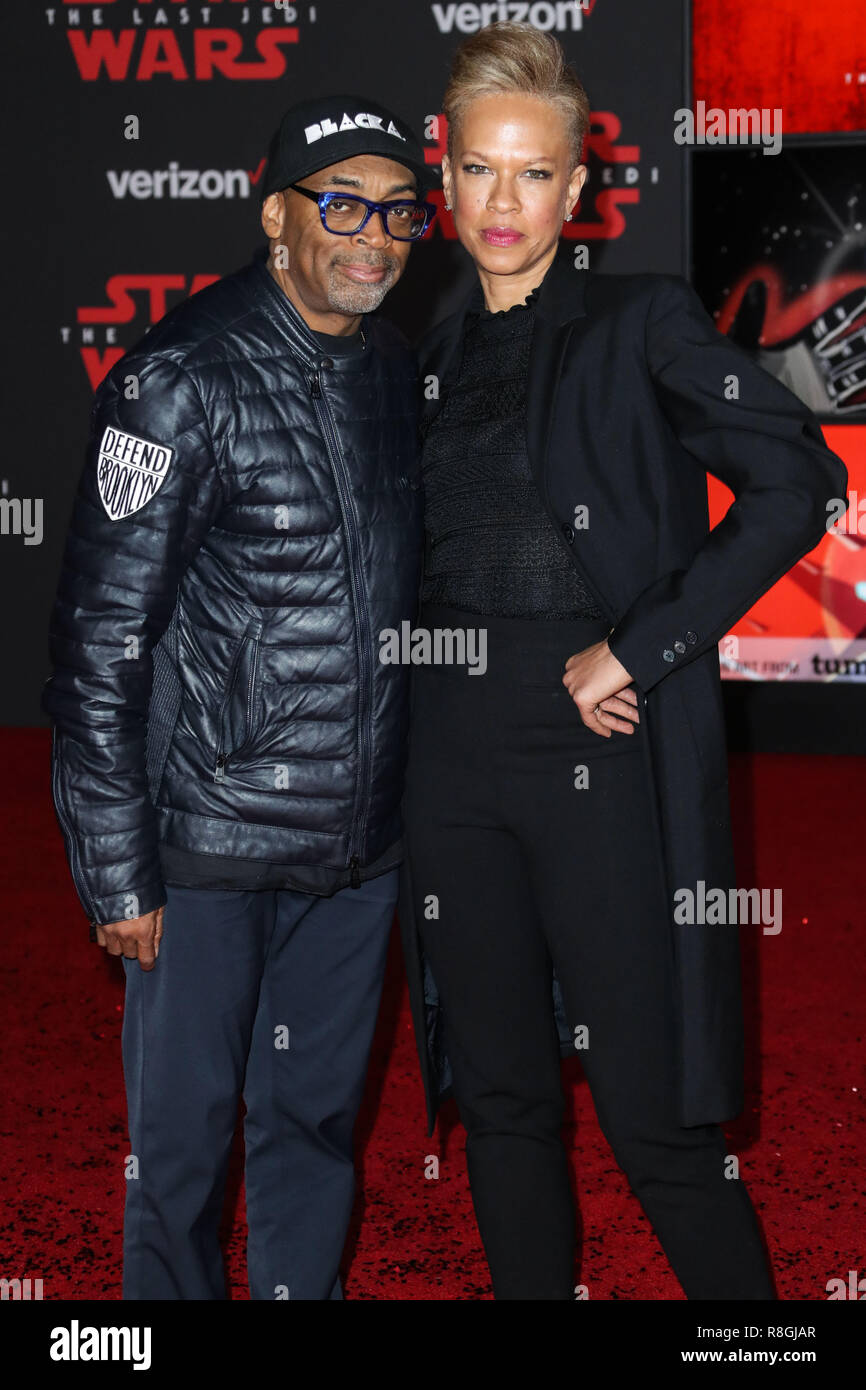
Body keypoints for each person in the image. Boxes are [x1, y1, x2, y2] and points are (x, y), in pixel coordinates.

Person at [398, 22, 849, 1300]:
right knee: (501, 1100)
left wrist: (641, 647)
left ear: (577, 188)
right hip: (444, 763)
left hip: (588, 753)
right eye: (479, 169)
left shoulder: (636, 321)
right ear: (444, 176)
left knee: (655, 1120)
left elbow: (796, 480)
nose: (502, 201)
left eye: (533, 172)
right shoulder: (422, 352)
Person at [41, 93, 435, 1300]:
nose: (374, 236)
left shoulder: (395, 369)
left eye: (399, 212)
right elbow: (100, 639)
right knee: (181, 1150)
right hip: (206, 839)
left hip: (357, 849)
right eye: (342, 206)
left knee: (315, 1127)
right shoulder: (177, 378)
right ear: (276, 217)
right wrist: (117, 868)